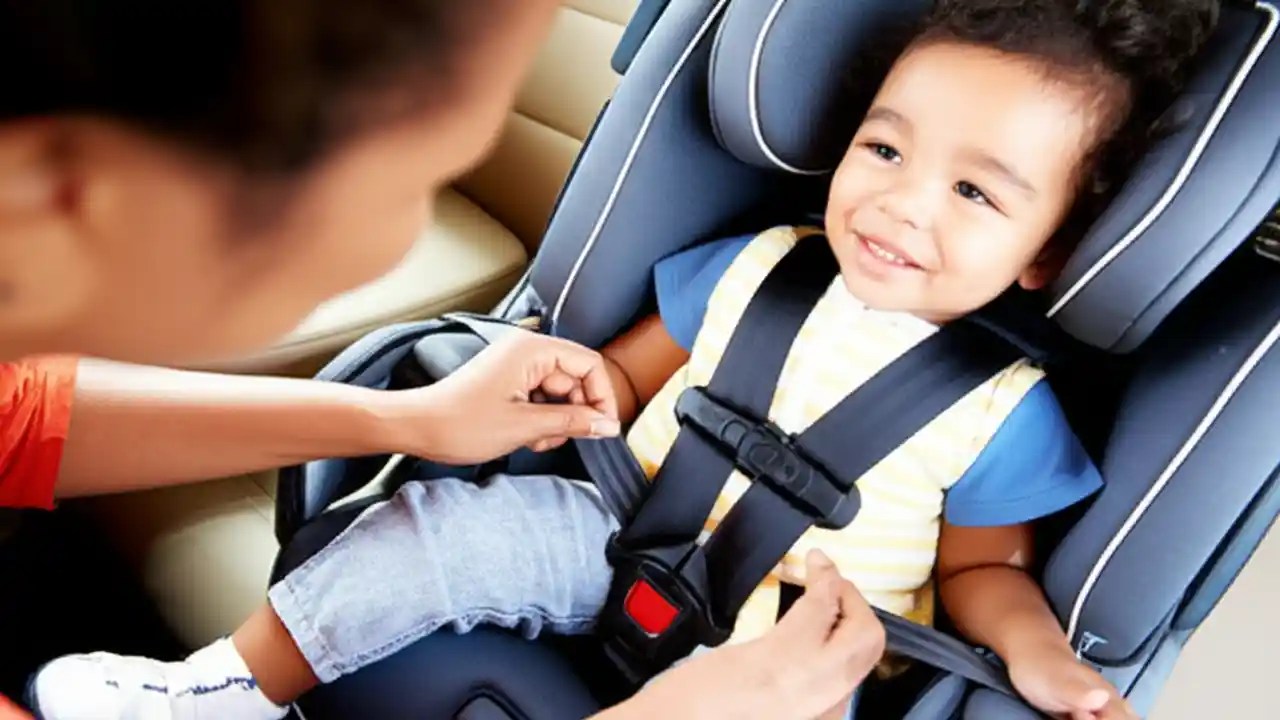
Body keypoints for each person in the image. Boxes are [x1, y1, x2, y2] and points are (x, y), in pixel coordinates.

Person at [30, 1, 1222, 719]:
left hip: (798, 633)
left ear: (1045, 253)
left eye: (971, 191)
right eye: (882, 149)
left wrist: (1040, 655)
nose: (902, 206)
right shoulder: (757, 266)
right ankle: (226, 686)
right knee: (436, 536)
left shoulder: (1003, 410)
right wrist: (593, 386)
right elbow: (625, 377)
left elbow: (980, 576)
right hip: (613, 527)